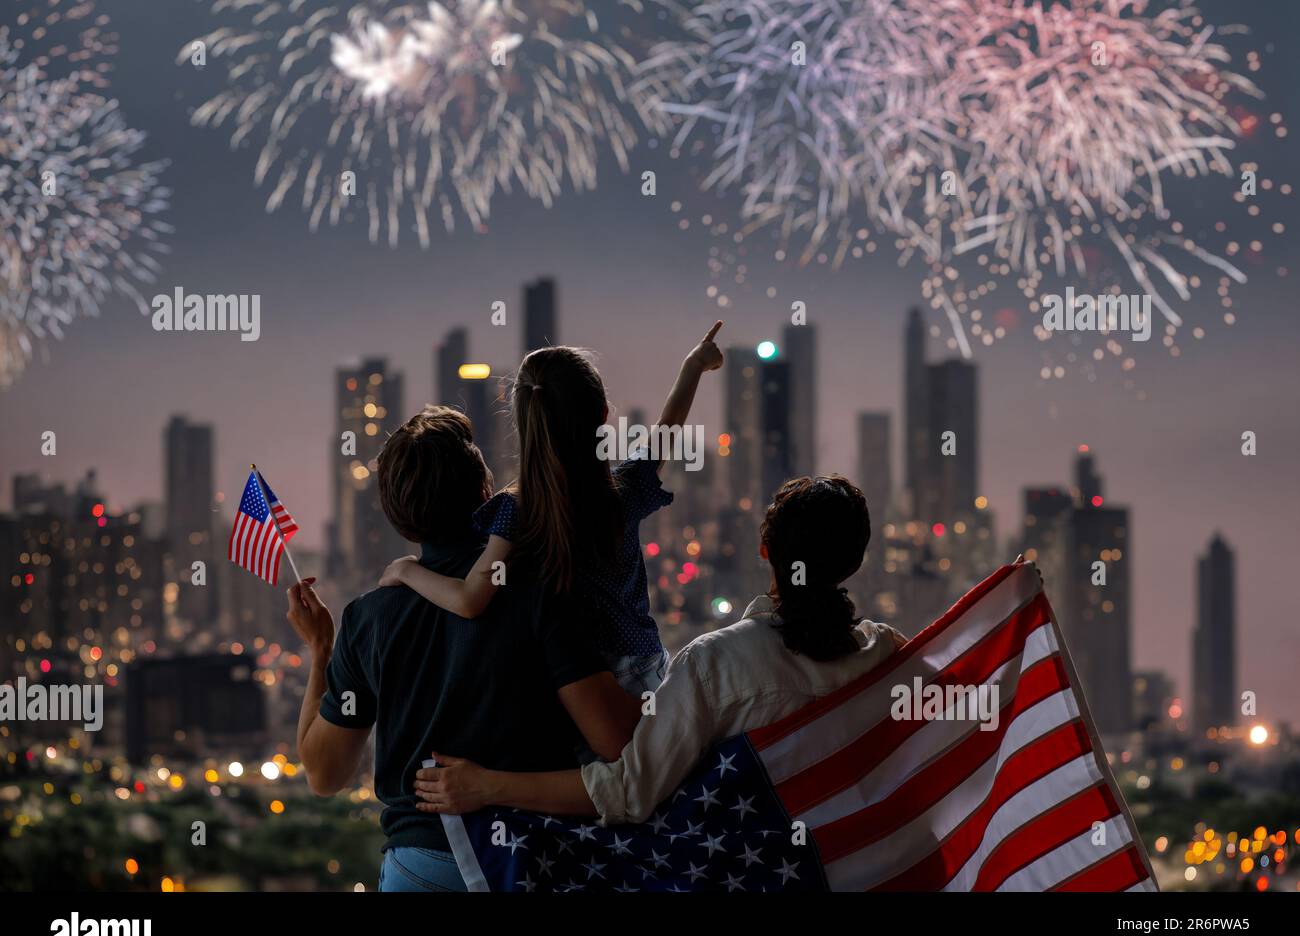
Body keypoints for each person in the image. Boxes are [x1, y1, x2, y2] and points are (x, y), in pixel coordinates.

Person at [409, 475, 908, 826]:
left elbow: (629, 791)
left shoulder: (715, 666)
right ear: (857, 559)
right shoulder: (888, 655)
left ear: (764, 549)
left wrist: (487, 786)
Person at [285, 407, 640, 891]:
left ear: (397, 517)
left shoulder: (368, 620)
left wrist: (321, 651)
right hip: (527, 861)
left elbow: (323, 774)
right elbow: (619, 744)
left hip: (420, 867)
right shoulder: (538, 592)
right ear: (483, 491)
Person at [379, 322, 725, 697]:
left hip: (581, 684)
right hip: (648, 671)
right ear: (604, 413)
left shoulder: (517, 511)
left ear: (525, 425)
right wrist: (692, 367)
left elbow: (469, 599)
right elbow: (666, 429)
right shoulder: (622, 492)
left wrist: (406, 569)